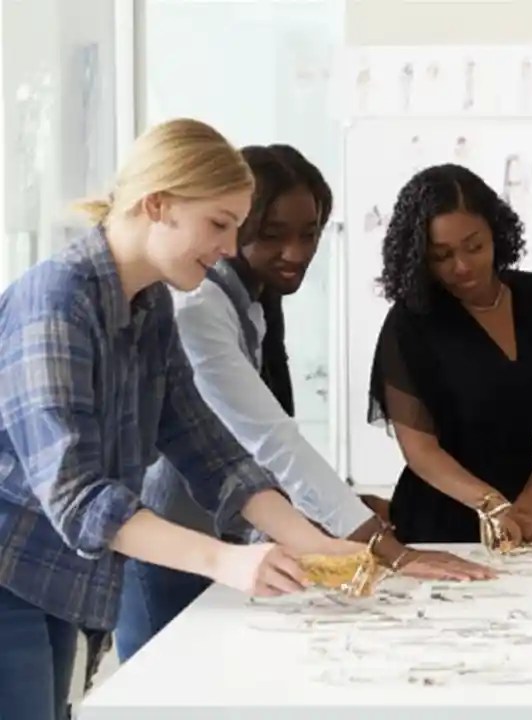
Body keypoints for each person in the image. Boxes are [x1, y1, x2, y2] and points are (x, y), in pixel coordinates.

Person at [0, 118, 364, 720]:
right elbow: (79, 496)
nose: (228, 248)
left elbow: (209, 450)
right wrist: (230, 561)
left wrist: (323, 548)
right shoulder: (57, 298)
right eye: (219, 224)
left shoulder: (152, 304)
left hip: (56, 574)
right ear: (157, 204)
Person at [114, 145, 495, 663]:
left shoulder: (254, 300)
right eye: (271, 235)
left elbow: (258, 440)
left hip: (229, 537)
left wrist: (347, 516)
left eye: (309, 233)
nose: (296, 252)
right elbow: (269, 439)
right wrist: (387, 549)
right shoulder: (200, 308)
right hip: (175, 542)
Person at [370, 163, 532, 545]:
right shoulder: (411, 321)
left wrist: (526, 507)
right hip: (439, 520)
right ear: (419, 256)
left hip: (529, 512)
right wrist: (491, 505)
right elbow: (419, 449)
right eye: (442, 255)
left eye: (474, 247)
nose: (462, 266)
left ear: (496, 232)